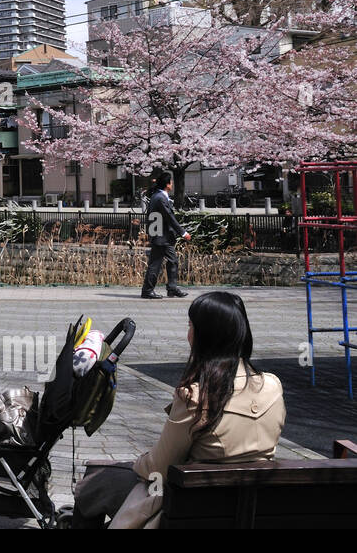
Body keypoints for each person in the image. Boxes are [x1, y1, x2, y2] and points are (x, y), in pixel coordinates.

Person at [72, 291, 285, 529]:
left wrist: (136, 463)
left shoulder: (196, 396)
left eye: (190, 326)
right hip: (252, 505)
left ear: (205, 337)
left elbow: (158, 468)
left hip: (192, 505)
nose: (188, 335)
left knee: (93, 482)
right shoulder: (273, 386)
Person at [140, 171, 191, 299]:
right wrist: (183, 232)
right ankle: (147, 291)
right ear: (167, 184)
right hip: (160, 236)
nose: (172, 184)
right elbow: (169, 217)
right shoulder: (160, 198)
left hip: (161, 235)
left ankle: (172, 288)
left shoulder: (159, 196)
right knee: (155, 264)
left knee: (172, 261)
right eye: (171, 182)